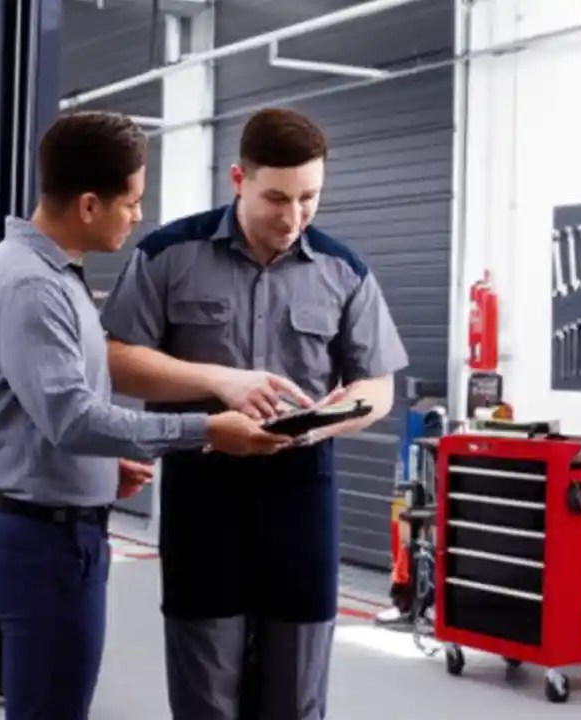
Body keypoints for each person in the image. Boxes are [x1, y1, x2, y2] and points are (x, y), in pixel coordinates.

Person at [0, 110, 296, 720]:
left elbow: (40, 414)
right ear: (90, 205)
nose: (138, 215)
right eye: (132, 201)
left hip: (52, 528)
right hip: (44, 543)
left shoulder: (49, 276)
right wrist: (205, 429)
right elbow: (74, 418)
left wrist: (102, 468)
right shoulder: (33, 288)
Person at [99, 107, 411, 719]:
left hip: (301, 494)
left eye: (309, 198)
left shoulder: (344, 270)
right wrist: (220, 379)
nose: (293, 218)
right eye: (277, 198)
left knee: (295, 693)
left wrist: (334, 415)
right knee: (206, 689)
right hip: (203, 490)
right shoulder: (168, 254)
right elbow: (115, 358)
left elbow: (377, 385)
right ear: (238, 179)